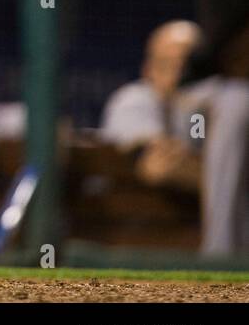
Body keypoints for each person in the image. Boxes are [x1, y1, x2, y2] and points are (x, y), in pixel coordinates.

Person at [100, 19, 249, 256]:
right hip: (135, 233)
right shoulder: (135, 98)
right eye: (167, 64)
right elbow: (159, 167)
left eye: (188, 64)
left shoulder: (220, 103)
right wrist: (230, 177)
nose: (179, 73)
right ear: (147, 68)